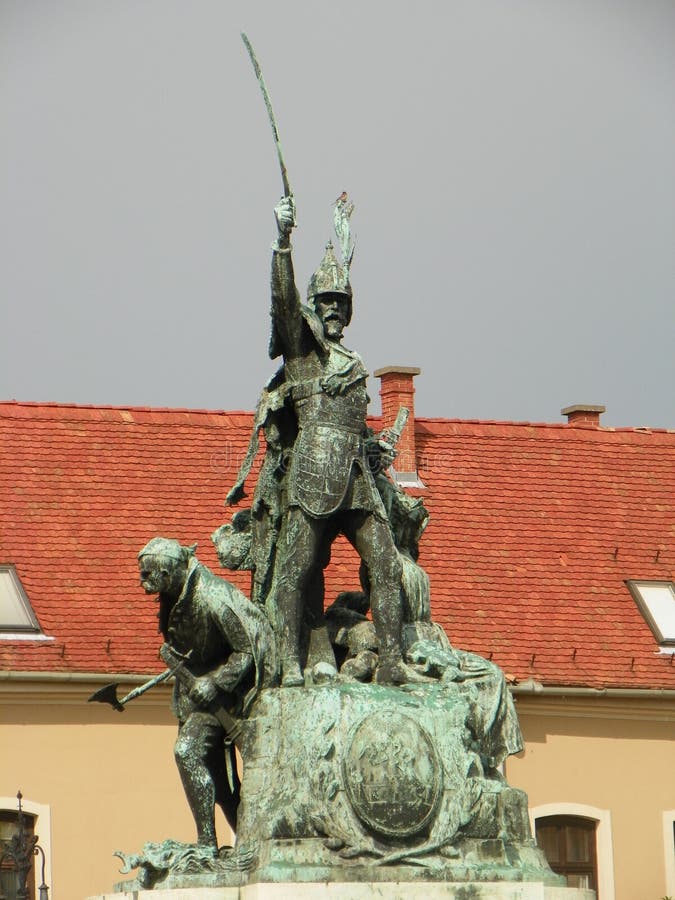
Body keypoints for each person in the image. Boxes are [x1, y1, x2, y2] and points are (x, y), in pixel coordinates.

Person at [267, 194, 420, 687]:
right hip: (311, 472)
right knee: (296, 569)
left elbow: (359, 428)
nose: (333, 310)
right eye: (326, 302)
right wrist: (283, 242)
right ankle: (290, 661)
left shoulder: (353, 364)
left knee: (385, 564)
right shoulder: (303, 353)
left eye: (340, 303)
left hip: (354, 476)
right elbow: (283, 302)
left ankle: (394, 661)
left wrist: (377, 449)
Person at [137, 537, 275, 850]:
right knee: (222, 785)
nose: (142, 581)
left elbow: (247, 651)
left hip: (235, 696)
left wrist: (215, 682)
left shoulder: (214, 598)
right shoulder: (173, 594)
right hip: (196, 698)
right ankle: (248, 846)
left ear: (169, 573)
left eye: (148, 575)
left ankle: (206, 844)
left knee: (186, 752)